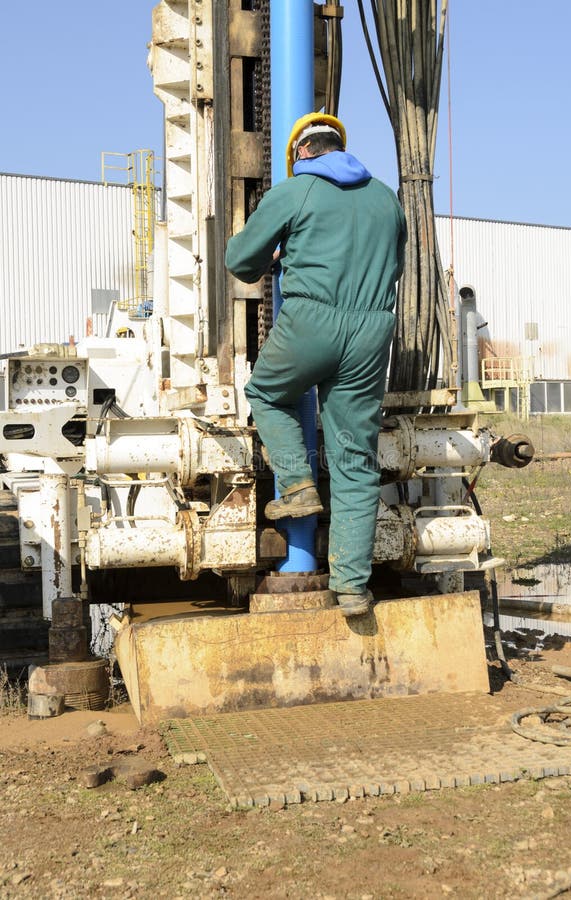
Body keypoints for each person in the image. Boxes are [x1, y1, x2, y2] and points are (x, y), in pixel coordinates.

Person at [225, 113, 407, 617]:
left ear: (302, 153)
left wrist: (281, 257)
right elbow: (393, 264)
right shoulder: (387, 197)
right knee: (354, 458)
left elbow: (240, 262)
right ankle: (351, 589)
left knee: (265, 393)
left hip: (312, 322)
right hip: (372, 330)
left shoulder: (296, 188)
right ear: (339, 148)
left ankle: (299, 485)